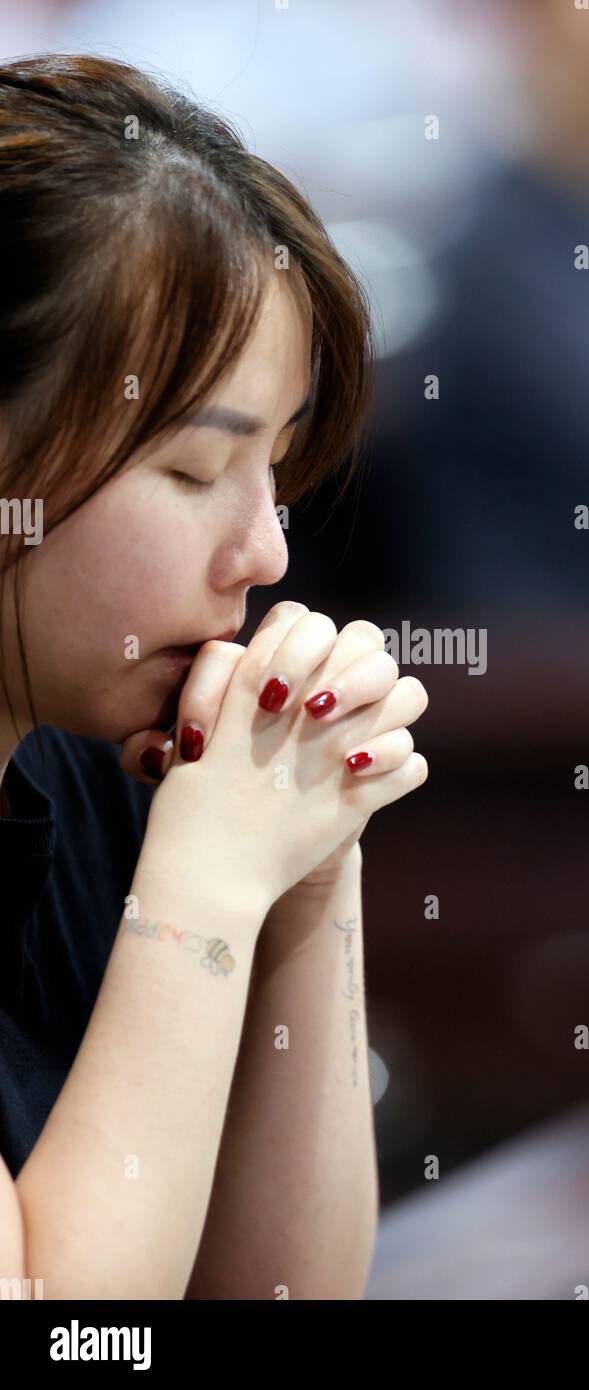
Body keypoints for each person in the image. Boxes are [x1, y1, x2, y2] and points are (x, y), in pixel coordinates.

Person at [0, 52, 428, 1300]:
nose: (266, 552)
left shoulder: (101, 763)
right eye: (194, 472)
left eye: (277, 473)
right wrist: (207, 882)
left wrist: (304, 865)